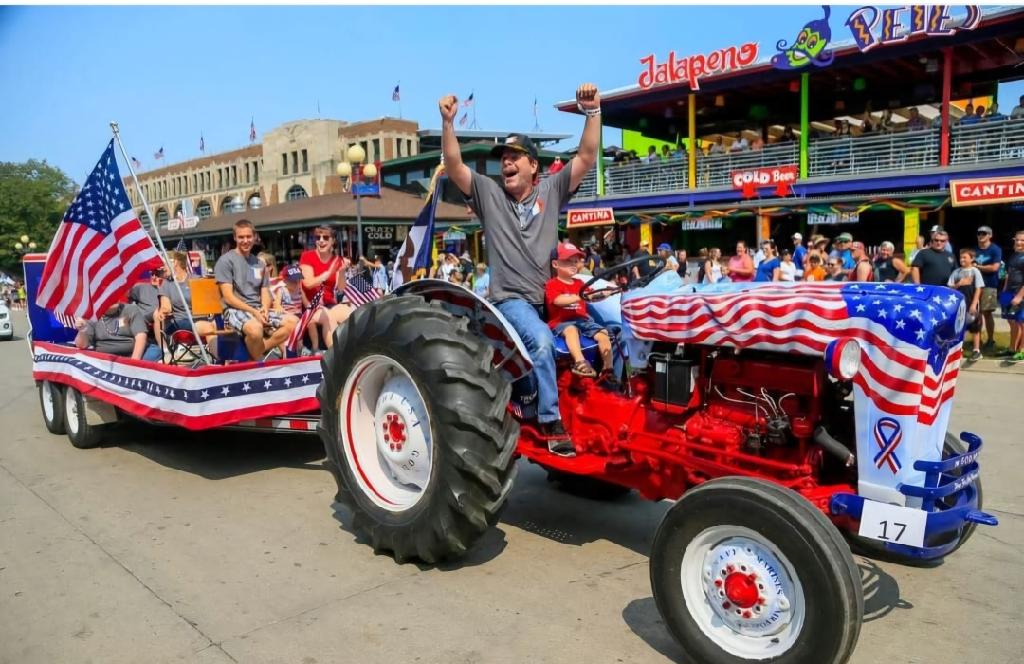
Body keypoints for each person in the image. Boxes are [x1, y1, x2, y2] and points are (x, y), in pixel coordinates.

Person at [439, 83, 601, 456]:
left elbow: (588, 156)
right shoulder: (489, 195)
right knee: (543, 344)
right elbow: (454, 165)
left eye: (514, 156)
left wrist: (592, 112)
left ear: (534, 166)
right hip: (511, 301)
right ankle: (550, 422)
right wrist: (448, 123)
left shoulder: (552, 191)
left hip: (550, 297)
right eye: (503, 158)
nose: (506, 163)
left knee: (609, 329)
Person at [215, 219, 299, 360]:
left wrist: (265, 309)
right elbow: (228, 297)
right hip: (235, 310)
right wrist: (254, 312)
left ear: (254, 237)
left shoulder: (260, 263)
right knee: (256, 329)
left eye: (248, 236)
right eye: (241, 237)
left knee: (295, 322)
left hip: (257, 309)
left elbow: (265, 291)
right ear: (235, 237)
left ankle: (261, 348)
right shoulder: (225, 261)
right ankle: (257, 362)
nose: (245, 241)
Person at [545, 243, 613, 379]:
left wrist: (604, 293)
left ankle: (607, 370)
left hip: (583, 321)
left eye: (575, 261)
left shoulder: (580, 284)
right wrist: (579, 296)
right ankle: (580, 362)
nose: (573, 264)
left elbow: (591, 296)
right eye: (567, 261)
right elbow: (558, 300)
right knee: (571, 330)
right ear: (555, 264)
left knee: (603, 333)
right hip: (562, 322)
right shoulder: (553, 284)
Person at [300, 225, 352, 349]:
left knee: (354, 314)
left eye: (326, 237)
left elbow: (340, 288)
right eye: (318, 237)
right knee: (329, 317)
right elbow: (307, 283)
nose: (321, 240)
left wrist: (343, 271)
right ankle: (335, 357)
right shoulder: (307, 256)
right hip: (311, 306)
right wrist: (327, 273)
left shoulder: (337, 260)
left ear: (333, 240)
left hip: (329, 304)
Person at [159, 251, 217, 344]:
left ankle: (219, 355)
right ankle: (218, 356)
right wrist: (163, 310)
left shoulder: (196, 280)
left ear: (175, 263)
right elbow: (166, 306)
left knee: (216, 325)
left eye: (165, 263)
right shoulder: (167, 284)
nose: (163, 268)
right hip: (182, 321)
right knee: (209, 327)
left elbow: (212, 303)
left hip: (201, 319)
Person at [75, 301, 162, 361]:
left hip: (134, 353)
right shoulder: (91, 316)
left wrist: (133, 363)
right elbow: (82, 345)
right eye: (108, 297)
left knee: (154, 353)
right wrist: (82, 330)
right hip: (107, 358)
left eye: (114, 295)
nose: (113, 299)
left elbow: (141, 336)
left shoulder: (131, 309)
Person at [948, 248, 985, 361]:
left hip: (971, 302)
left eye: (965, 257)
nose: (962, 259)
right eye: (961, 257)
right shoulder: (956, 272)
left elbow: (979, 288)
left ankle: (976, 350)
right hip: (959, 305)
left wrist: (974, 304)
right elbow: (950, 287)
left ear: (972, 259)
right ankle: (959, 350)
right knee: (960, 327)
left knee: (975, 326)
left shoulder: (975, 271)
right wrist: (959, 284)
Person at [974, 225, 1003, 350]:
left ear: (990, 235)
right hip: (976, 286)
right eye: (979, 233)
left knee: (987, 313)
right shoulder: (975, 250)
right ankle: (977, 340)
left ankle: (990, 340)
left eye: (984, 233)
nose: (981, 235)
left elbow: (995, 268)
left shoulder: (995, 249)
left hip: (989, 285)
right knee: (976, 313)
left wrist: (978, 267)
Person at [999, 230, 1024, 362]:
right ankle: (1012, 348)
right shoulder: (1014, 255)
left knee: (1021, 322)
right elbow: (1008, 274)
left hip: (1020, 294)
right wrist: (1004, 291)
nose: (1019, 242)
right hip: (1009, 292)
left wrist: (1020, 296)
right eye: (1017, 239)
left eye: (1022, 240)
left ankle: (1022, 350)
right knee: (1012, 322)